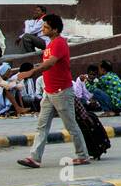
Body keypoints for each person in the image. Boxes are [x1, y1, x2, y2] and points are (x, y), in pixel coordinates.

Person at [16, 14, 90, 168]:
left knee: (71, 125)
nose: (42, 29)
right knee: (42, 126)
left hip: (61, 91)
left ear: (55, 30)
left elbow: (50, 64)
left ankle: (82, 155)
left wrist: (31, 72)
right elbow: (46, 65)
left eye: (46, 27)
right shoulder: (49, 44)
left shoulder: (59, 43)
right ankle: (34, 157)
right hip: (49, 92)